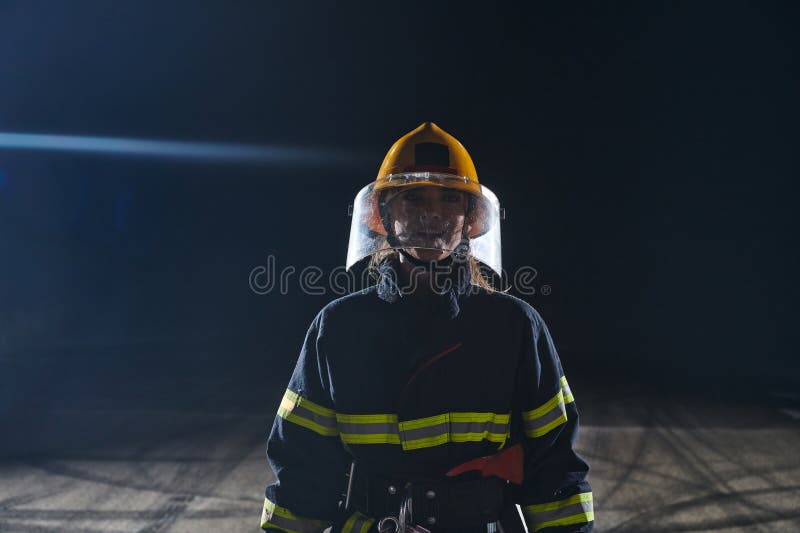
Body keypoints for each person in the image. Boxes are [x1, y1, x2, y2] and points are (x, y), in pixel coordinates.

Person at [260, 122, 594, 532]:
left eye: (450, 199)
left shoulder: (514, 326)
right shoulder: (339, 327)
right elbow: (301, 469)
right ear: (383, 214)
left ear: (470, 218)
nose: (431, 214)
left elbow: (555, 470)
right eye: (412, 198)